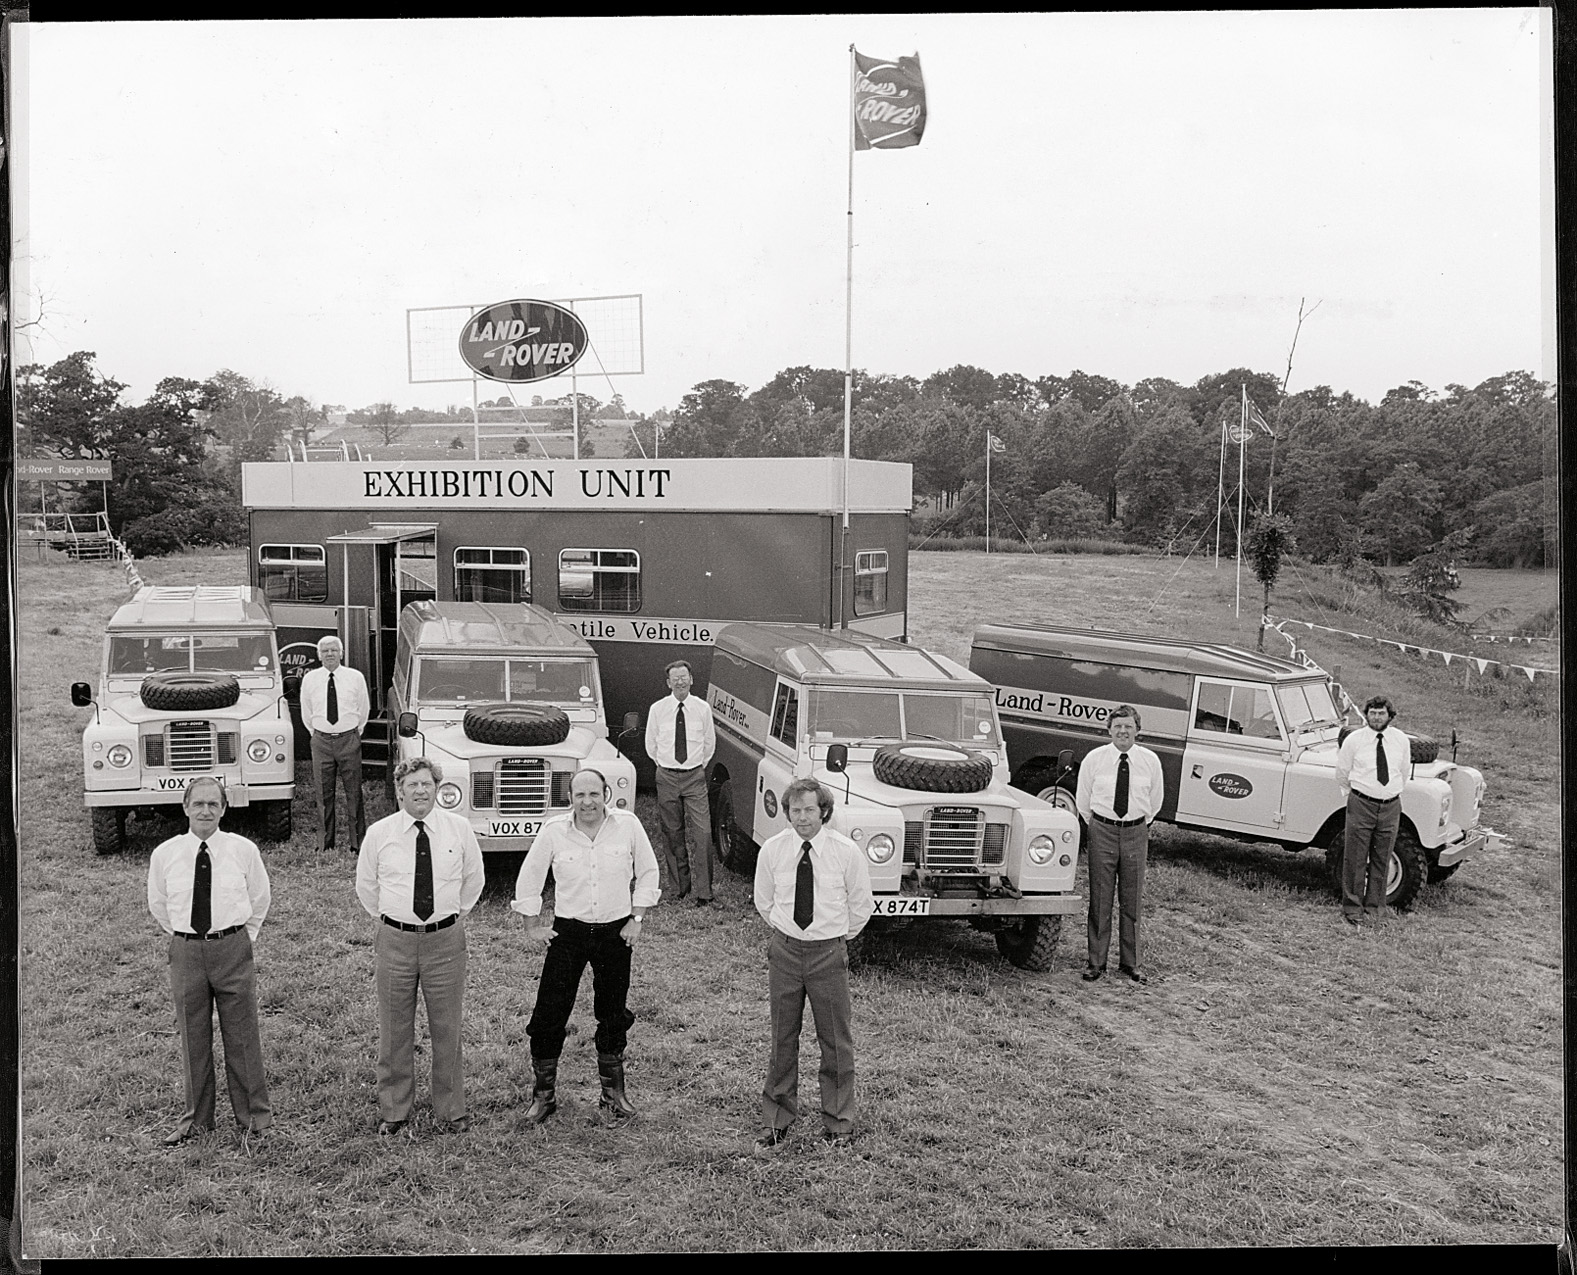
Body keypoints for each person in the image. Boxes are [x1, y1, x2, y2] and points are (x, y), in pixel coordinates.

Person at [513, 769, 661, 1125]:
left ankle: (612, 1094)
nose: (588, 802)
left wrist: (635, 919)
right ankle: (543, 1096)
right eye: (580, 795)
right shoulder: (554, 831)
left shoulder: (627, 825)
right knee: (550, 1012)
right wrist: (533, 924)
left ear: (606, 793)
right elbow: (530, 877)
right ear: (570, 798)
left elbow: (649, 871)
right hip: (569, 933)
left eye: (594, 794)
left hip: (615, 933)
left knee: (613, 1012)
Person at [356, 757, 484, 1135]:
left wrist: (449, 917)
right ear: (399, 791)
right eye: (412, 785)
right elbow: (367, 887)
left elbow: (473, 880)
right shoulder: (379, 833)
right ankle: (394, 1110)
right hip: (395, 939)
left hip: (445, 940)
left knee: (447, 1027)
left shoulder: (458, 829)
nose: (420, 791)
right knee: (394, 1028)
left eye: (427, 784)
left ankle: (451, 1108)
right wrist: (394, 920)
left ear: (438, 788)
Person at [146, 776, 272, 1146]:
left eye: (213, 804)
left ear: (224, 808)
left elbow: (259, 898)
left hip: (232, 947)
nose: (206, 811)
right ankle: (197, 1121)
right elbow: (159, 904)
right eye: (198, 804)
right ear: (185, 807)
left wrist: (238, 939)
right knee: (193, 1035)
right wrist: (187, 937)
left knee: (242, 1033)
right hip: (186, 951)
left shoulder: (243, 850)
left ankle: (254, 1117)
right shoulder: (165, 854)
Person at [753, 778, 873, 1148]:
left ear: (824, 811)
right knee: (782, 1036)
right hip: (786, 952)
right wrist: (791, 936)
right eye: (795, 810)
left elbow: (860, 906)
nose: (802, 817)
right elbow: (765, 901)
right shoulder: (773, 850)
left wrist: (832, 939)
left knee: (836, 1039)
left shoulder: (845, 852)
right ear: (787, 812)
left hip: (828, 953)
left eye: (809, 809)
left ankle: (839, 1122)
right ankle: (777, 1118)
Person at [1076, 705, 1166, 985]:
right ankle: (1096, 962)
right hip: (1102, 829)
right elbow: (1083, 800)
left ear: (1138, 730)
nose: (1123, 731)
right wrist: (1101, 825)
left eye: (1128, 727)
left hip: (1136, 832)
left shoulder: (1150, 761)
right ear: (1109, 730)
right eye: (1117, 727)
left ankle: (1131, 963)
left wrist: (1136, 826)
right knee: (1101, 899)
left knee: (1132, 899)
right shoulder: (1095, 759)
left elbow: (1155, 801)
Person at [644, 659, 717, 906]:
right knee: (672, 833)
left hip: (694, 777)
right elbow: (651, 745)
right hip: (666, 775)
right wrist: (667, 768)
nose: (680, 681)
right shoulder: (658, 709)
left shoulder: (702, 709)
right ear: (668, 683)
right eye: (675, 678)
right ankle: (680, 888)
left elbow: (709, 744)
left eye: (684, 676)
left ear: (691, 679)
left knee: (703, 833)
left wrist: (696, 767)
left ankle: (705, 893)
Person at [1334, 694, 1410, 925]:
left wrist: (1387, 794)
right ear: (1366, 715)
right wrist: (1358, 796)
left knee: (1382, 856)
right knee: (1356, 857)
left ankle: (1375, 908)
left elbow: (1403, 772)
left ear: (1390, 716)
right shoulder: (1355, 740)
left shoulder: (1401, 740)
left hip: (1390, 806)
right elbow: (1342, 772)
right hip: (1361, 803)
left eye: (1381, 713)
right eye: (1373, 713)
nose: (1377, 718)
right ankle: (1353, 909)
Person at [298, 635, 370, 853]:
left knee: (353, 791)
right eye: (325, 651)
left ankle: (357, 843)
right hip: (321, 741)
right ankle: (325, 843)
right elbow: (306, 711)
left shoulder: (355, 677)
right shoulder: (310, 679)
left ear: (342, 653)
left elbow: (363, 708)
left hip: (348, 739)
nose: (330, 654)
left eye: (334, 650)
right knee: (322, 792)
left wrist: (354, 732)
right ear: (319, 655)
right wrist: (317, 733)